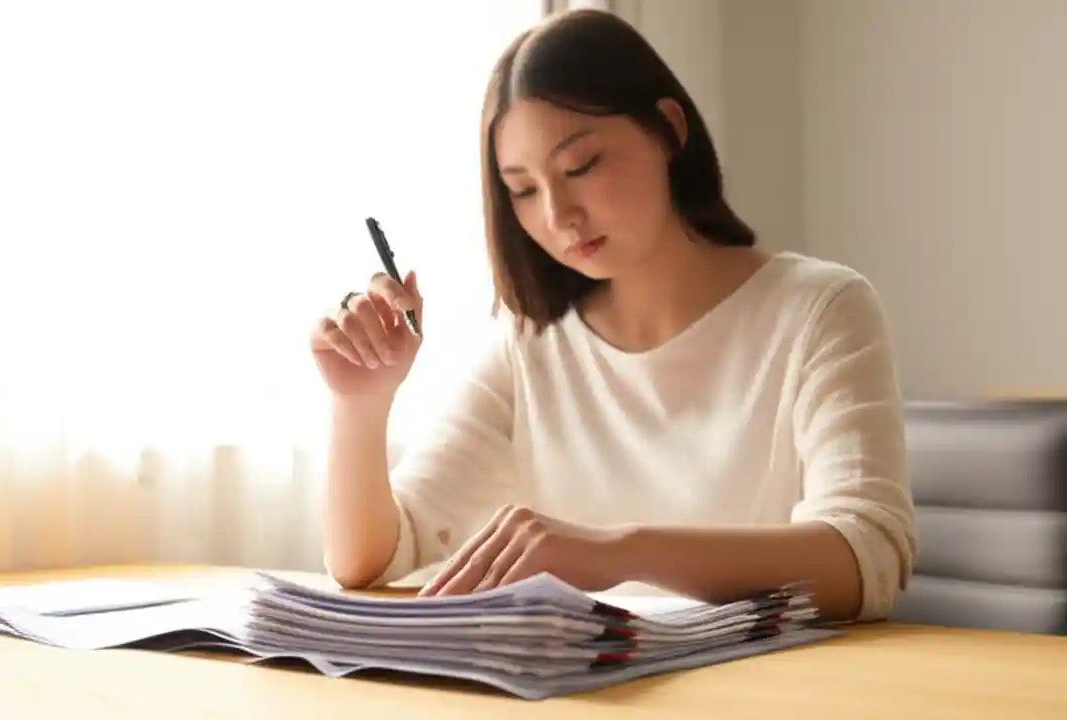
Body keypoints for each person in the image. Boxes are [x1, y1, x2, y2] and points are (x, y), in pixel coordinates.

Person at [309, 8, 916, 622]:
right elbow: (371, 560)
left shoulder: (820, 310)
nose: (558, 215)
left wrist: (622, 552)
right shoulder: (531, 345)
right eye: (523, 189)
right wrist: (361, 407)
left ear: (669, 129)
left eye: (581, 167)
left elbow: (866, 559)